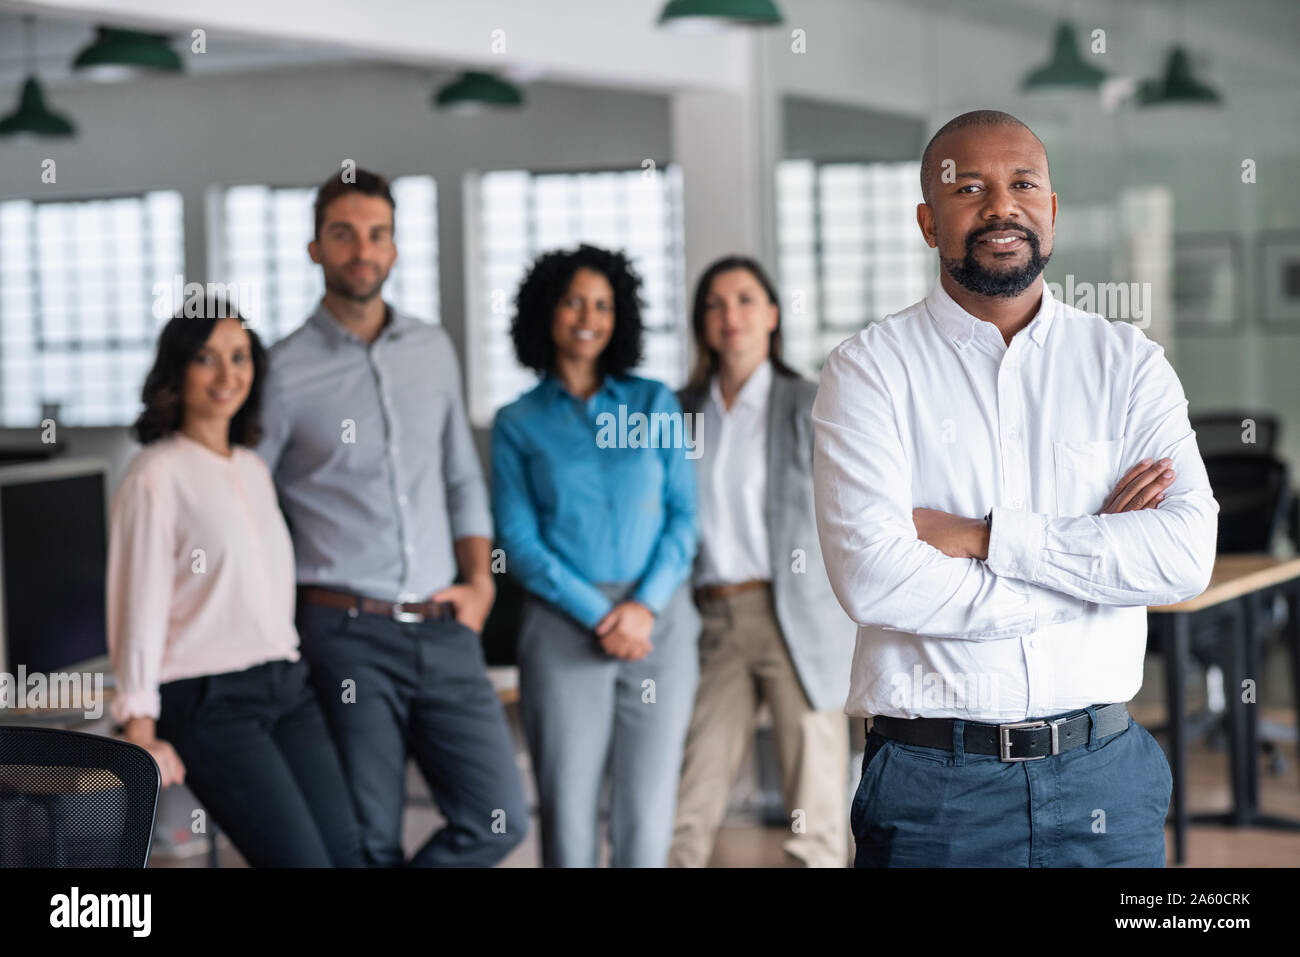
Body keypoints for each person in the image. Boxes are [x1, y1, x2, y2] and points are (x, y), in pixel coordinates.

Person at [812, 109, 1218, 868]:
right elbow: (875, 579)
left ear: (1053, 214)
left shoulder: (1127, 364)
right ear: (930, 222)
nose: (1002, 206)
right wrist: (1098, 573)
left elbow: (1186, 556)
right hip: (937, 790)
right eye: (970, 187)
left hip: (1106, 775)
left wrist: (989, 537)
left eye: (1022, 183)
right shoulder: (868, 371)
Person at [255, 168, 527, 867]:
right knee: (366, 840)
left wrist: (480, 582)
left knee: (498, 817)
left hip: (445, 625)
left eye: (377, 234)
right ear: (315, 247)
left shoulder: (432, 348)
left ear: (396, 247)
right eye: (343, 234)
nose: (361, 249)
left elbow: (462, 475)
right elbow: (246, 498)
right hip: (343, 632)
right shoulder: (281, 370)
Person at [108, 300, 362, 867]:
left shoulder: (252, 467)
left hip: (285, 686)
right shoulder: (153, 477)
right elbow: (137, 609)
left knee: (350, 855)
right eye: (207, 358)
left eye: (240, 357)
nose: (228, 375)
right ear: (176, 370)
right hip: (209, 700)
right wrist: (141, 728)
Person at [491, 243, 700, 867]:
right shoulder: (517, 422)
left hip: (659, 625)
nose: (589, 315)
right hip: (561, 628)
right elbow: (519, 543)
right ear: (546, 313)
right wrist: (599, 615)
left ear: (621, 316)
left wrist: (641, 608)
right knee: (568, 812)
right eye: (574, 301)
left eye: (603, 304)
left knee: (647, 811)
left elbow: (684, 519)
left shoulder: (655, 402)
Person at [669, 256, 855, 868]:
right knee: (687, 799)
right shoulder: (679, 410)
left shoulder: (809, 400)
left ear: (772, 315)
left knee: (815, 808)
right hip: (712, 619)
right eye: (716, 304)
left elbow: (847, 506)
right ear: (702, 321)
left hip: (795, 613)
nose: (731, 316)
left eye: (745, 300)